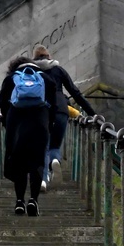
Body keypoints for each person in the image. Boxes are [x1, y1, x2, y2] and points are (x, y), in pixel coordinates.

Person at [0, 54, 57, 216]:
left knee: (19, 163)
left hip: (16, 123)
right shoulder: (46, 78)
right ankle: (33, 200)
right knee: (37, 162)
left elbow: (3, 104)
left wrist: (7, 123)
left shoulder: (11, 79)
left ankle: (19, 201)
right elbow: (54, 105)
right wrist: (49, 124)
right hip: (40, 122)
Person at [31, 45, 94, 188]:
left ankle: (43, 179)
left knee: (43, 146)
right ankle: (55, 161)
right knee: (54, 145)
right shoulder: (58, 70)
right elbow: (76, 93)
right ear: (49, 56)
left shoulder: (32, 71)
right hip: (61, 110)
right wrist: (92, 114)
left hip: (42, 111)